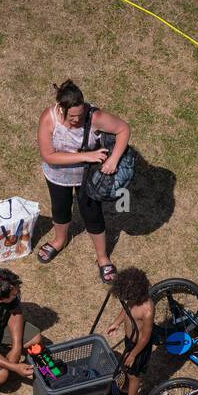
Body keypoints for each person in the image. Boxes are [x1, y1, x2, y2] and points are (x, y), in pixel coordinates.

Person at [34, 79, 132, 283]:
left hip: (88, 179)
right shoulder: (48, 118)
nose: (77, 120)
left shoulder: (94, 116)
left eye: (80, 115)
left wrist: (113, 159)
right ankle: (60, 240)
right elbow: (49, 155)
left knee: (92, 215)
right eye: (72, 117)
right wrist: (86, 156)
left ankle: (103, 257)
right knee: (60, 209)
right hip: (57, 176)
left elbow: (123, 129)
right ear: (61, 108)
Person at [105, 267, 155, 395]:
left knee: (134, 375)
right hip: (130, 342)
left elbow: (145, 338)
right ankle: (127, 388)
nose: (127, 301)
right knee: (127, 368)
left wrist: (134, 354)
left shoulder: (147, 310)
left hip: (140, 347)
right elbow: (126, 309)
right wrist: (117, 323)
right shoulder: (133, 299)